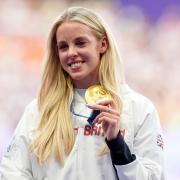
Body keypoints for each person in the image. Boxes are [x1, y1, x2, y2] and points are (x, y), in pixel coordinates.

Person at [0, 7, 165, 180]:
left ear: (103, 44)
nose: (71, 53)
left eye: (80, 43)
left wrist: (117, 143)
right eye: (63, 47)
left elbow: (153, 177)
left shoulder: (138, 108)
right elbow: (12, 172)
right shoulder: (39, 110)